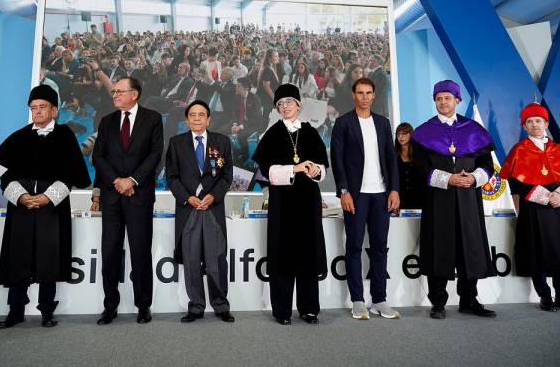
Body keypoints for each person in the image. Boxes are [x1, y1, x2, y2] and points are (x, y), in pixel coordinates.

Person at [0, 85, 90, 329]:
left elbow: (75, 175)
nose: (37, 111)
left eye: (42, 107)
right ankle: (15, 310)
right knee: (18, 257)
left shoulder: (65, 136)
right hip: (21, 207)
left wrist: (48, 196)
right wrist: (21, 196)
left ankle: (47, 311)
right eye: (33, 108)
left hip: (52, 208)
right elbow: (2, 173)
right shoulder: (19, 137)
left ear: (54, 110)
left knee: (49, 259)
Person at [411, 80, 497, 319]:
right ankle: (438, 303)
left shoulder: (474, 130)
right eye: (438, 99)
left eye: (447, 98)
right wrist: (449, 179)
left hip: (468, 198)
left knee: (470, 248)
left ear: (457, 100)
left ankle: (469, 300)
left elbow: (487, 165)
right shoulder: (423, 132)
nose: (443, 102)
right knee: (439, 248)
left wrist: (474, 178)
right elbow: (420, 167)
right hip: (439, 199)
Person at [499, 103, 560, 312]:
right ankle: (545, 295)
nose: (534, 125)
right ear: (524, 126)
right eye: (529, 122)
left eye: (538, 121)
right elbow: (516, 184)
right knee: (536, 251)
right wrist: (546, 197)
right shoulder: (519, 150)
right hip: (534, 208)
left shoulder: (559, 150)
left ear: (546, 124)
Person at [252, 84, 328, 325]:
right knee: (282, 254)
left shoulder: (311, 132)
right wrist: (295, 168)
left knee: (308, 253)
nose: (285, 107)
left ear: (298, 104)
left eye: (289, 102)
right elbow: (268, 172)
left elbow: (323, 169)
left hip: (307, 201)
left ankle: (309, 309)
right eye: (280, 104)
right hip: (282, 202)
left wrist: (316, 170)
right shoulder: (271, 134)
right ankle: (282, 310)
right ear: (277, 108)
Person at [91, 77, 163, 325]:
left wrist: (132, 181)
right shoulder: (107, 121)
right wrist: (117, 181)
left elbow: (155, 154)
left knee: (140, 252)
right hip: (112, 197)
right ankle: (110, 306)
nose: (115, 95)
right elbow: (98, 156)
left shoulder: (152, 118)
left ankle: (143, 305)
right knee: (110, 252)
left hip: (139, 196)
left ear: (135, 94)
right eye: (113, 92)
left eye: (119, 91)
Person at [331, 78, 400, 320]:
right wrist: (344, 191)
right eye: (360, 93)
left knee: (380, 247)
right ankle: (358, 301)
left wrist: (394, 190)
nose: (365, 97)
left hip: (381, 195)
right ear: (353, 95)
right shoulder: (343, 123)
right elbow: (337, 160)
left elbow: (391, 158)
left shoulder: (383, 123)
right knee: (354, 247)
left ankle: (379, 300)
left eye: (368, 93)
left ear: (373, 95)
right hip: (356, 195)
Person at [165, 100, 234, 323]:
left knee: (216, 260)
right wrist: (188, 198)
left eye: (201, 115)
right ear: (186, 120)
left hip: (213, 208)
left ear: (208, 119)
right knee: (192, 259)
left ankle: (221, 305)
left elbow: (227, 176)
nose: (197, 118)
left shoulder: (222, 142)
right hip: (189, 208)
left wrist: (213, 196)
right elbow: (172, 178)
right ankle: (195, 306)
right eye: (192, 115)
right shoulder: (176, 143)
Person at [395, 122, 424, 210]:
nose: (400, 137)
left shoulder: (420, 155)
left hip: (420, 198)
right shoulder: (393, 156)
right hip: (400, 199)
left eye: (404, 133)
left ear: (411, 134)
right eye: (398, 134)